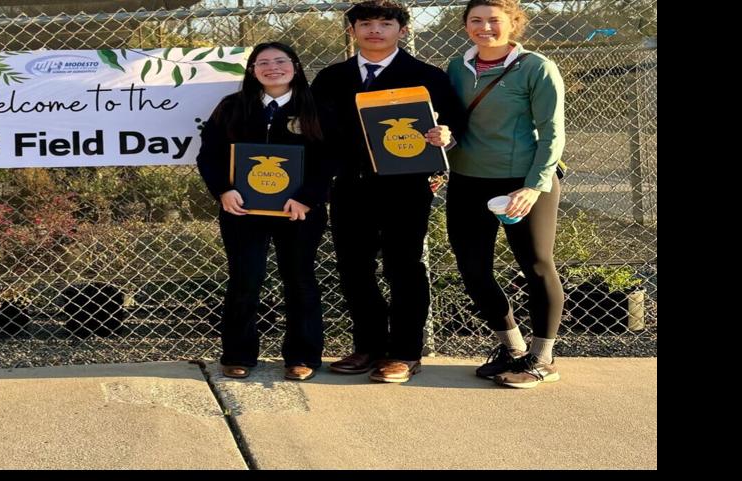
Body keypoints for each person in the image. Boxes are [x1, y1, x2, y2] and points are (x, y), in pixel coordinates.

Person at [311, 0, 464, 385]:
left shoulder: (425, 76)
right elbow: (317, 134)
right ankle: (369, 347)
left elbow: (455, 123)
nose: (375, 30)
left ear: (403, 30)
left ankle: (405, 353)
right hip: (349, 186)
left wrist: (445, 136)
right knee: (354, 268)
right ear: (352, 31)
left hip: (406, 187)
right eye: (365, 24)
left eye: (385, 23)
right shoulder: (331, 78)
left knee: (404, 267)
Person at [445, 0, 568, 388]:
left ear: (513, 23)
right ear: (466, 25)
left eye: (494, 20)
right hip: (467, 180)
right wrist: (441, 140)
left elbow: (552, 133)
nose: (485, 28)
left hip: (523, 182)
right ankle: (514, 350)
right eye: (476, 20)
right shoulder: (456, 67)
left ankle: (543, 358)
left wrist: (533, 187)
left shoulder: (537, 67)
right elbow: (451, 122)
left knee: (537, 265)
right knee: (473, 269)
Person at [195, 42, 331, 381]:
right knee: (245, 278)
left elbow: (331, 159)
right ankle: (238, 355)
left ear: (295, 66)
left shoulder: (316, 107)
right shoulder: (232, 107)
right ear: (253, 70)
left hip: (298, 211)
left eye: (280, 61)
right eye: (263, 62)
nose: (272, 68)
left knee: (299, 279)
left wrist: (308, 199)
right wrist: (223, 190)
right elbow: (208, 154)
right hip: (243, 211)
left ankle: (302, 357)